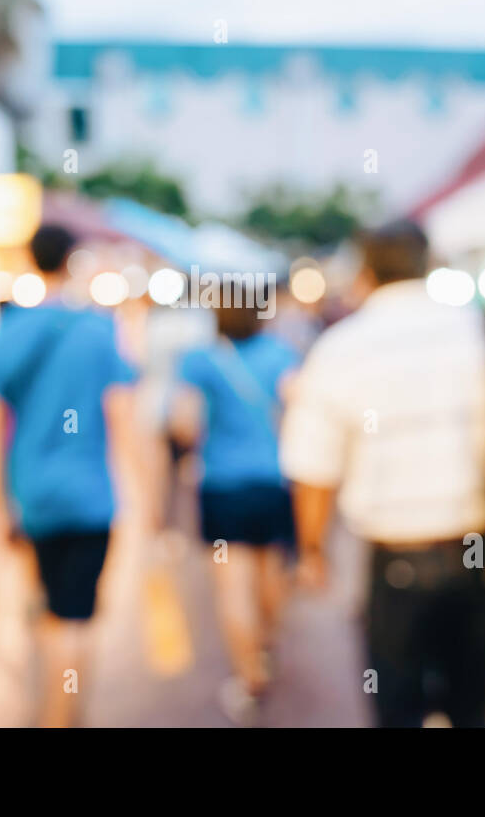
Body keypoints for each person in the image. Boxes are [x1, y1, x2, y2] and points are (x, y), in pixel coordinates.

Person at [280, 219, 485, 727]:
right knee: (473, 703)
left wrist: (312, 550)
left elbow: (312, 466)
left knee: (397, 706)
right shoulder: (482, 331)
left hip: (396, 564)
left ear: (365, 271)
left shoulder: (342, 347)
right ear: (430, 262)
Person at [0, 224, 140, 728]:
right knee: (76, 618)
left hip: (32, 495)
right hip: (92, 497)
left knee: (49, 607)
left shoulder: (10, 332)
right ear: (71, 259)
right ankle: (64, 713)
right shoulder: (98, 329)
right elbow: (124, 419)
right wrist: (151, 498)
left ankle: (58, 708)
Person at [169, 288, 301, 725]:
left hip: (222, 487)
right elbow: (296, 410)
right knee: (271, 571)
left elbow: (184, 424)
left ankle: (248, 678)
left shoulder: (199, 360)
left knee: (232, 585)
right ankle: (264, 646)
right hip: (273, 481)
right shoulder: (281, 354)